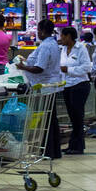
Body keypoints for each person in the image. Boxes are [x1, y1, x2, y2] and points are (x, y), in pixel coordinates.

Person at [19, 19, 62, 159]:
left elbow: (39, 68)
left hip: (45, 86)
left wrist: (23, 67)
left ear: (43, 31)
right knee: (52, 119)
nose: (37, 33)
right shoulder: (53, 43)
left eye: (38, 30)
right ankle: (54, 150)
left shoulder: (45, 46)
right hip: (51, 85)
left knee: (47, 120)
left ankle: (48, 151)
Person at [58, 26, 92, 154]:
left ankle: (78, 146)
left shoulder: (80, 49)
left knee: (78, 116)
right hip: (67, 86)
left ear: (69, 36)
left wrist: (69, 70)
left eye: (63, 36)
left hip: (79, 85)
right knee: (72, 117)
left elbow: (86, 67)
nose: (61, 38)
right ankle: (72, 144)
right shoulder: (63, 49)